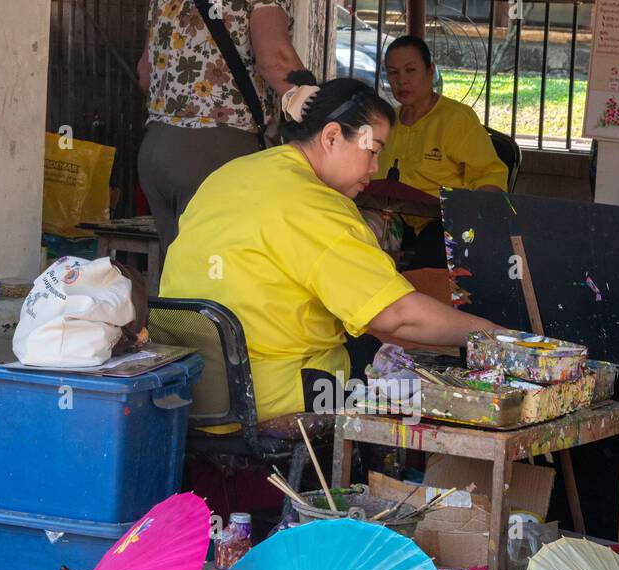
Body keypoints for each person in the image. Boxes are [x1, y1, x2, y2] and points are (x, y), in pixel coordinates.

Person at [158, 76, 499, 424]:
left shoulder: (231, 174)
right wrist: (493, 336)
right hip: (271, 394)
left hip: (190, 389)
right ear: (332, 136)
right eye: (373, 149)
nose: (375, 168)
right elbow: (397, 316)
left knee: (371, 347)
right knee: (409, 383)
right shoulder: (316, 205)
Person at [137, 0, 309, 253]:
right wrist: (314, 102)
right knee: (216, 271)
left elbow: (145, 73)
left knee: (176, 273)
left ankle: (161, 301)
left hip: (156, 150)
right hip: (219, 148)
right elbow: (274, 60)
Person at [374, 35, 508, 269]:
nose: (401, 81)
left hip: (441, 221)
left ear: (430, 72)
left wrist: (473, 216)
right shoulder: (387, 121)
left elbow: (489, 176)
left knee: (430, 262)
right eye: (393, 73)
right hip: (391, 217)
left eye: (410, 70)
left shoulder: (457, 119)